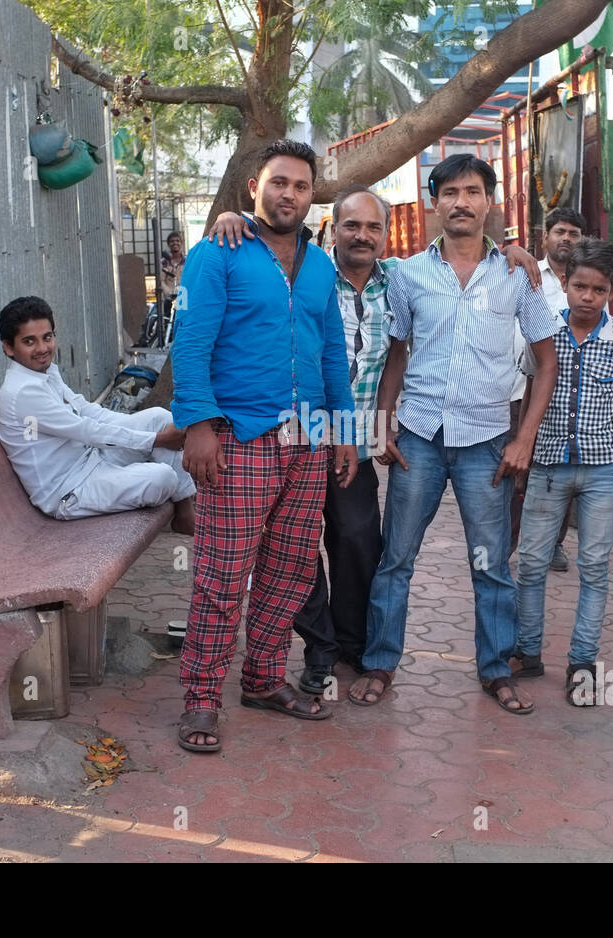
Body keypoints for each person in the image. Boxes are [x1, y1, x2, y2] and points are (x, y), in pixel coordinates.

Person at [207, 194, 542, 698]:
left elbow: (401, 354)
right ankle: (319, 650)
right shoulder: (308, 272)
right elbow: (263, 251)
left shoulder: (400, 280)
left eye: (372, 227)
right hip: (299, 439)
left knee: (359, 545)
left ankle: (354, 647)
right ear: (331, 228)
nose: (361, 235)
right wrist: (232, 217)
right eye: (350, 226)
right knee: (293, 552)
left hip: (355, 447)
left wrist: (514, 251)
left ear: (385, 233)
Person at [348, 154, 559, 716]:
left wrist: (525, 440)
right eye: (450, 192)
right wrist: (385, 422)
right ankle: (379, 663)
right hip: (418, 436)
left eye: (472, 191)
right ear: (434, 203)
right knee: (396, 559)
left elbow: (547, 361)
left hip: (488, 440)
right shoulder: (408, 275)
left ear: (490, 202)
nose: (461, 202)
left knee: (490, 563)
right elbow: (397, 350)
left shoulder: (518, 274)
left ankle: (496, 669)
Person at [171, 139, 358, 753]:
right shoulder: (218, 252)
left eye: (301, 187)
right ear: (255, 186)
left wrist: (343, 431)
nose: (289, 195)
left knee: (290, 568)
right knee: (224, 573)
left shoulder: (322, 266)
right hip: (239, 436)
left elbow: (333, 350)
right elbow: (192, 343)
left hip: (306, 440)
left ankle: (261, 681)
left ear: (311, 197)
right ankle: (201, 700)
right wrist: (197, 423)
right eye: (279, 183)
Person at [514, 239, 613, 701]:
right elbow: (530, 388)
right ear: (563, 284)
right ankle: (527, 651)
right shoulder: (543, 332)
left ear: (612, 292)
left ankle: (582, 663)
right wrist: (524, 446)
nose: (587, 297)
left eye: (598, 290)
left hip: (603, 471)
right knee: (530, 564)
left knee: (595, 567)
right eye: (579, 286)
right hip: (546, 465)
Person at [0, 295, 195, 532]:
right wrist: (156, 441)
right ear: (9, 347)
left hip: (92, 459)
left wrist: (149, 433)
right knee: (163, 477)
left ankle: (186, 512)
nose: (42, 349)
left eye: (47, 337)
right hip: (70, 490)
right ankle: (187, 512)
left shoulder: (44, 374)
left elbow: (88, 412)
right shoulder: (23, 392)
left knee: (159, 419)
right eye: (29, 342)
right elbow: (86, 430)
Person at [512, 206, 588, 563]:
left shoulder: (584, 283)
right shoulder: (524, 272)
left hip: (564, 395)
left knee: (560, 468)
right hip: (519, 387)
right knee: (514, 467)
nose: (567, 239)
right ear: (545, 238)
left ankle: (554, 543)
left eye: (574, 233)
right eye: (560, 232)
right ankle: (508, 542)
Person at [161, 230, 186, 322]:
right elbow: (161, 281)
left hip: (184, 299)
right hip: (169, 300)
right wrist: (170, 293)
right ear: (168, 244)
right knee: (166, 324)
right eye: (172, 241)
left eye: (177, 240)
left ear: (181, 243)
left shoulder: (188, 261)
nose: (175, 243)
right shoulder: (163, 262)